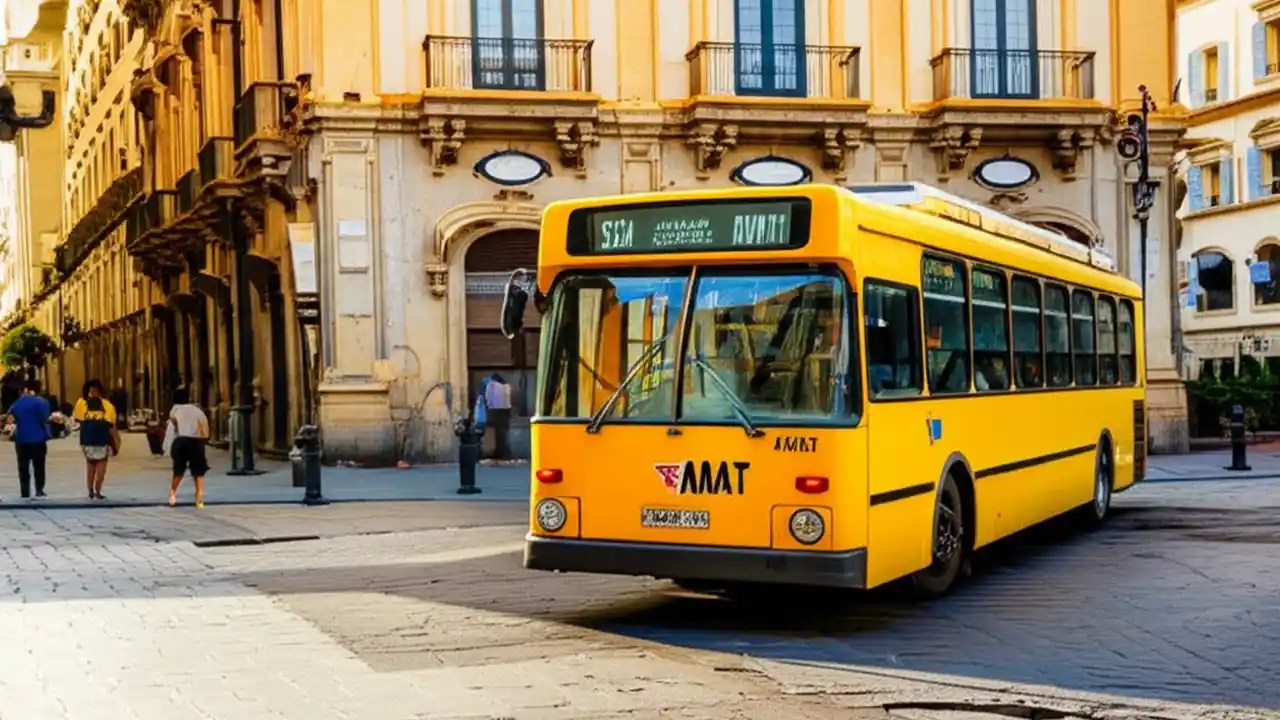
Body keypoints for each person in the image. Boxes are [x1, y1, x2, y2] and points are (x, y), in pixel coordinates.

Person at [73, 379, 119, 501]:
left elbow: (77, 420)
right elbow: (111, 426)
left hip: (87, 440)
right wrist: (117, 442)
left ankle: (90, 491)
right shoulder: (107, 405)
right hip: (102, 440)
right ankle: (98, 490)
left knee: (90, 464)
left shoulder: (81, 403)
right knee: (101, 465)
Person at [166, 387, 210, 508]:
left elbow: (173, 426)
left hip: (181, 440)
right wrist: (204, 439)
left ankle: (172, 494)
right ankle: (199, 497)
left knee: (179, 470)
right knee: (199, 470)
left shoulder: (175, 410)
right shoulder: (198, 411)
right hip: (196, 441)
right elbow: (205, 427)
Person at [6, 380, 51, 500]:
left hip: (22, 439)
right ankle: (39, 489)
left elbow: (10, 417)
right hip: (38, 438)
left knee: (23, 467)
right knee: (39, 466)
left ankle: (25, 492)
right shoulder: (41, 402)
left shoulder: (17, 403)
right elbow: (45, 417)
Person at [483, 373, 513, 460]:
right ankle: (505, 453)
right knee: (503, 434)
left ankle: (497, 452)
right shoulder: (506, 386)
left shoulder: (491, 386)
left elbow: (488, 399)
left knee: (495, 435)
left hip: (494, 412)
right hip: (505, 413)